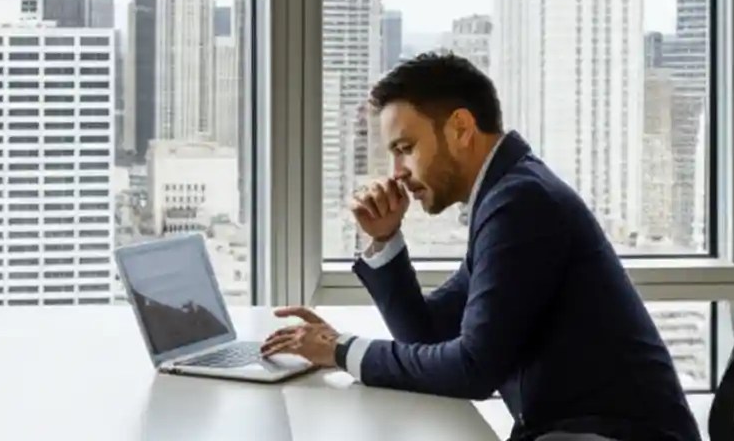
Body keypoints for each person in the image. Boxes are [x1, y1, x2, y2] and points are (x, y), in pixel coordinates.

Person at [261, 52, 701, 441]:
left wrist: (339, 349)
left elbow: (471, 370)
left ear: (461, 128)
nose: (396, 172)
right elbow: (429, 336)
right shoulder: (507, 194)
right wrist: (385, 238)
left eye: (406, 148)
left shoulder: (521, 202)